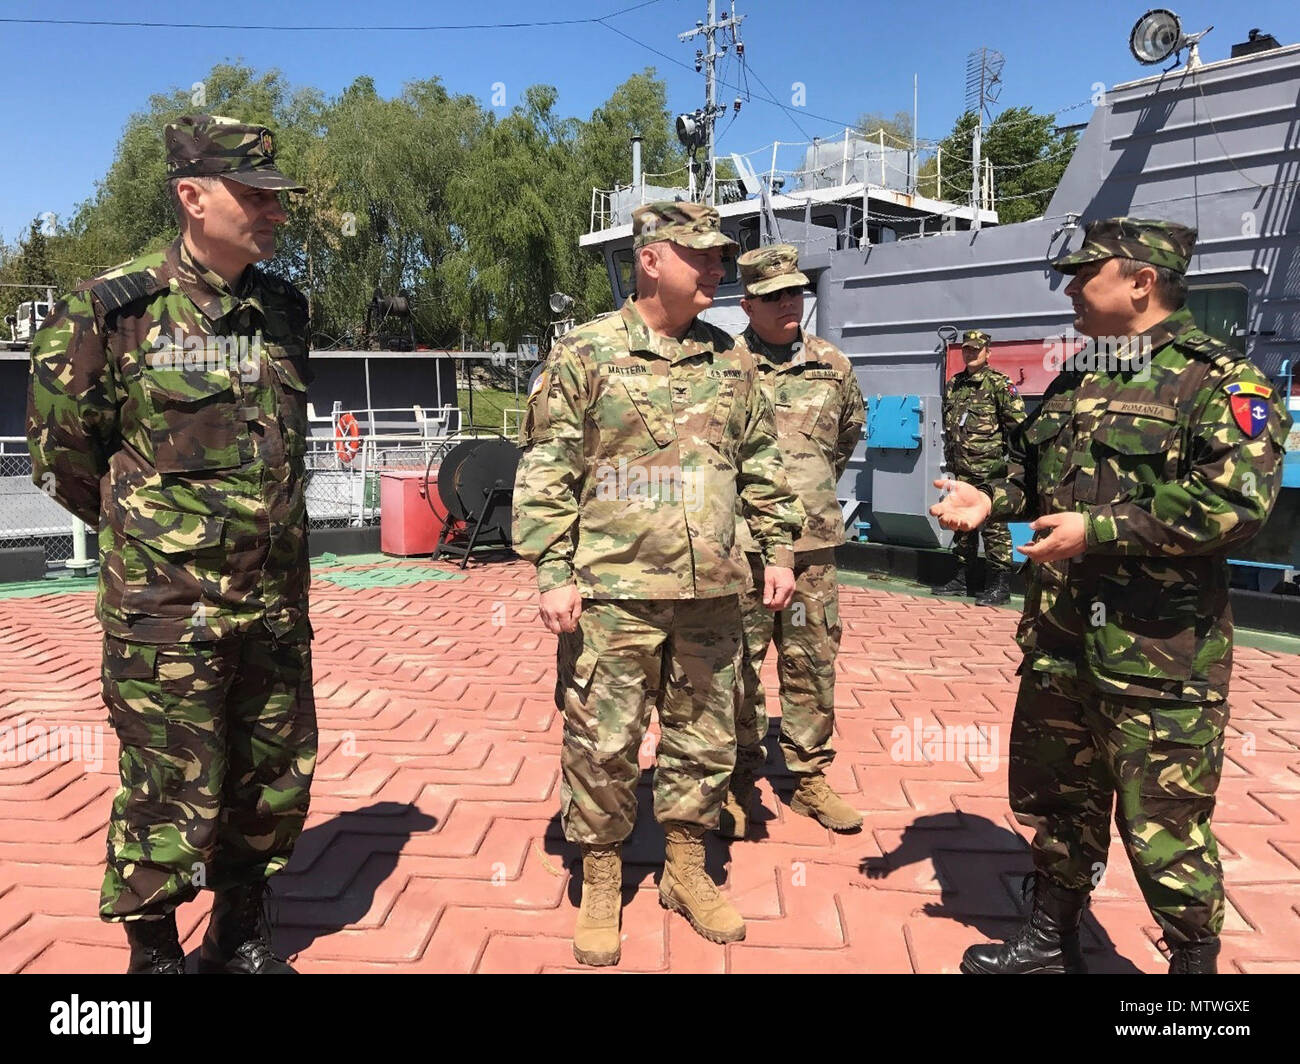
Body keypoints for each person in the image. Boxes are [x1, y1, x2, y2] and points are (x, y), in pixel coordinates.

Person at [930, 218, 1291, 975]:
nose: (1069, 288)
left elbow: (1238, 503)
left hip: (1158, 657)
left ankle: (1194, 977)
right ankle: (1051, 940)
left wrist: (1098, 530)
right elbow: (1032, 475)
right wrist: (986, 499)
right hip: (1061, 643)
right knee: (1061, 804)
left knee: (1167, 829)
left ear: (1139, 281)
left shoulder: (1221, 381)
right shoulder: (1084, 373)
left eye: (1083, 273)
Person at [27, 114, 317, 974]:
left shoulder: (284, 309)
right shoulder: (110, 309)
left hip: (273, 603)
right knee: (166, 788)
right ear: (192, 196)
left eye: (277, 198)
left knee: (269, 775)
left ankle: (242, 931)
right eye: (254, 195)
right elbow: (65, 457)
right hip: (166, 613)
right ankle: (153, 954)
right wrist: (151, 541)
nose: (274, 212)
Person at [512, 201, 803, 966]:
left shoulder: (730, 358)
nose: (716, 268)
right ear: (650, 259)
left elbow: (762, 462)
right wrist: (551, 567)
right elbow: (548, 466)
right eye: (699, 254)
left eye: (719, 256)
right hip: (611, 590)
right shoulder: (587, 352)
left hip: (713, 589)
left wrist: (777, 550)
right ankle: (601, 873)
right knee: (602, 741)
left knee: (703, 738)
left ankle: (685, 868)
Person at [720, 244, 865, 838]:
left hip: (812, 548)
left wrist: (808, 486)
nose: (789, 303)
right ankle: (736, 777)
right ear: (747, 302)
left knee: (812, 660)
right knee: (739, 665)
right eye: (774, 294)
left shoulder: (832, 364)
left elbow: (849, 432)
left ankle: (807, 776)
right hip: (744, 548)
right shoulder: (726, 366)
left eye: (795, 292)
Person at [934, 328, 1026, 605]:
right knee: (962, 526)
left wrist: (1012, 466)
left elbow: (1018, 427)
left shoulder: (1000, 384)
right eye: (967, 349)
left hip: (991, 470)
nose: (971, 353)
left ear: (988, 352)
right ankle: (963, 578)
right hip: (962, 469)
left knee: (995, 527)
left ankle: (1000, 584)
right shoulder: (955, 384)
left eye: (976, 349)